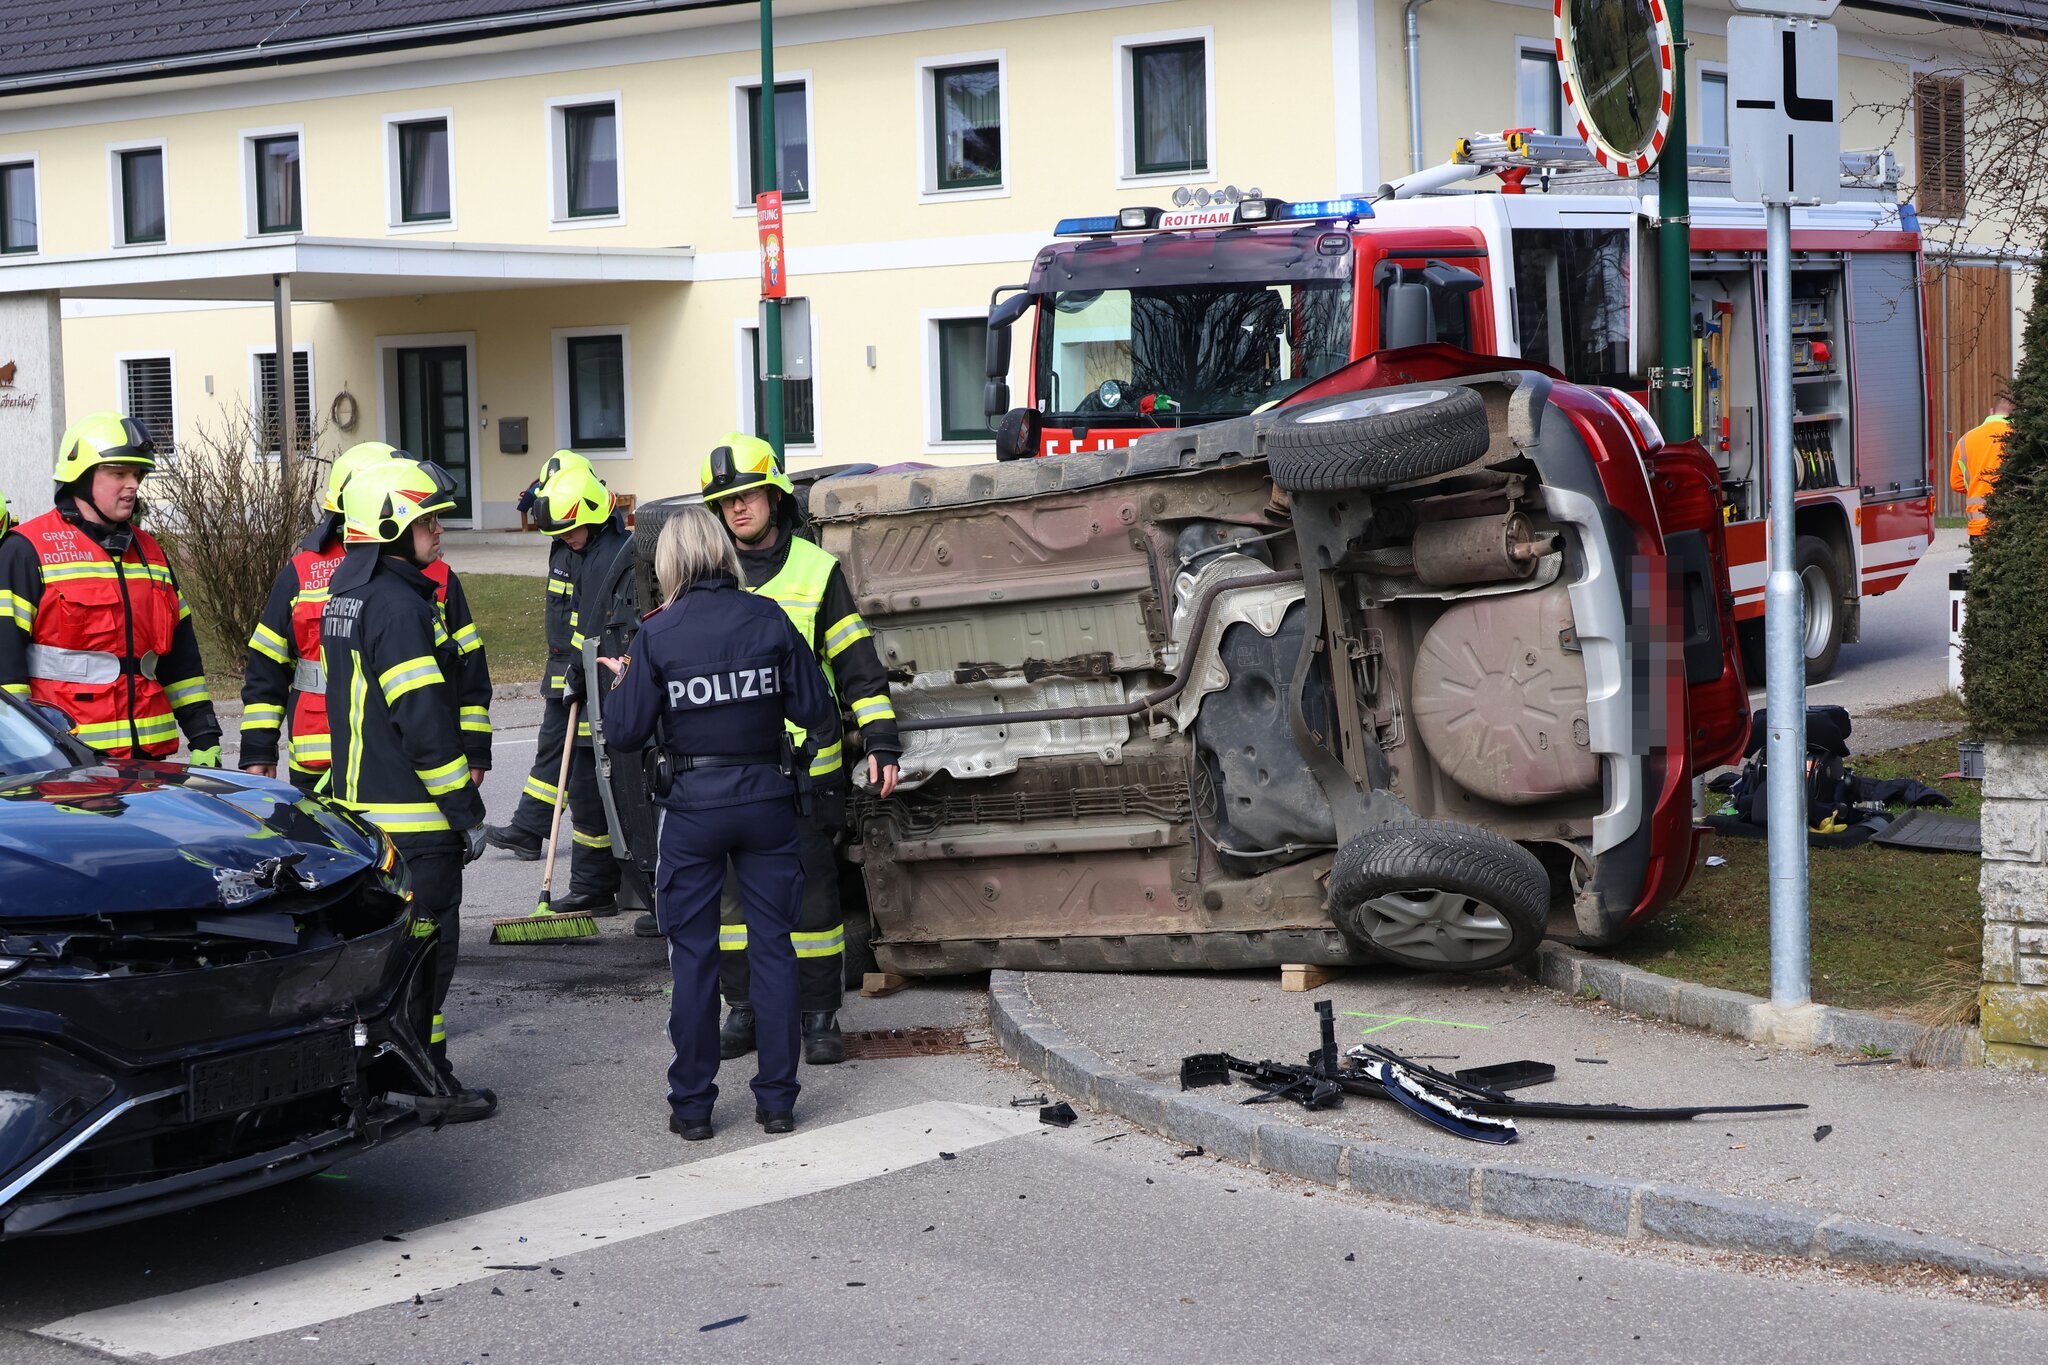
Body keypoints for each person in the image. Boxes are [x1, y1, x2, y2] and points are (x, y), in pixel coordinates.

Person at [600, 505, 839, 1141]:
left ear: (671, 561)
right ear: (723, 551)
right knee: (774, 949)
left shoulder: (658, 632)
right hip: (767, 801)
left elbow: (623, 732)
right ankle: (778, 1102)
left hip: (693, 810)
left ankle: (694, 1107)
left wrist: (627, 680)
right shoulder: (770, 618)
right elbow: (819, 712)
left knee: (697, 958)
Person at [684, 433, 901, 1067]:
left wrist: (882, 740)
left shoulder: (816, 571)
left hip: (808, 771)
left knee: (812, 902)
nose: (737, 509)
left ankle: (819, 1016)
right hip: (730, 768)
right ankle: (744, 1009)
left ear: (774, 497)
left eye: (747, 496)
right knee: (730, 904)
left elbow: (860, 668)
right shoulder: (704, 580)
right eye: (725, 502)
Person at [325, 458, 496, 1123]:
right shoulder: (397, 605)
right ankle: (428, 1076)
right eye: (426, 521)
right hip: (416, 821)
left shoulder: (349, 594)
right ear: (392, 525)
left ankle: (372, 1076)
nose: (437, 532)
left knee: (382, 957)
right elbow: (423, 722)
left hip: (364, 811)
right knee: (429, 951)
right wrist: (466, 812)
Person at [240, 442, 493, 791]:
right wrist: (258, 748)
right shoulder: (300, 573)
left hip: (403, 757)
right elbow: (267, 664)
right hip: (320, 753)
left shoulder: (437, 575)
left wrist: (475, 749)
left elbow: (470, 670)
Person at [0, 412, 221, 762]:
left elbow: (181, 658)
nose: (132, 484)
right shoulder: (26, 549)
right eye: (118, 473)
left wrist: (204, 734)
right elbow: (5, 666)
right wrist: (23, 751)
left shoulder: (150, 551)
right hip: (67, 759)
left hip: (148, 760)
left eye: (137, 474)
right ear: (82, 478)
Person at [484, 453, 629, 915]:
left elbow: (599, 628)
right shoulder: (586, 546)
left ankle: (593, 887)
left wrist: (580, 673)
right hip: (576, 679)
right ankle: (591, 886)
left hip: (596, 688)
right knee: (580, 785)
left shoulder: (608, 559)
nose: (564, 540)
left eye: (569, 531)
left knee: (588, 789)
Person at [1950, 392, 2014, 542]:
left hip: (1979, 526)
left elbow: (1956, 483)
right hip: (2013, 523)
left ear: (1991, 411)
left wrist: (1977, 486)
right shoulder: (2020, 436)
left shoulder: (1965, 440)